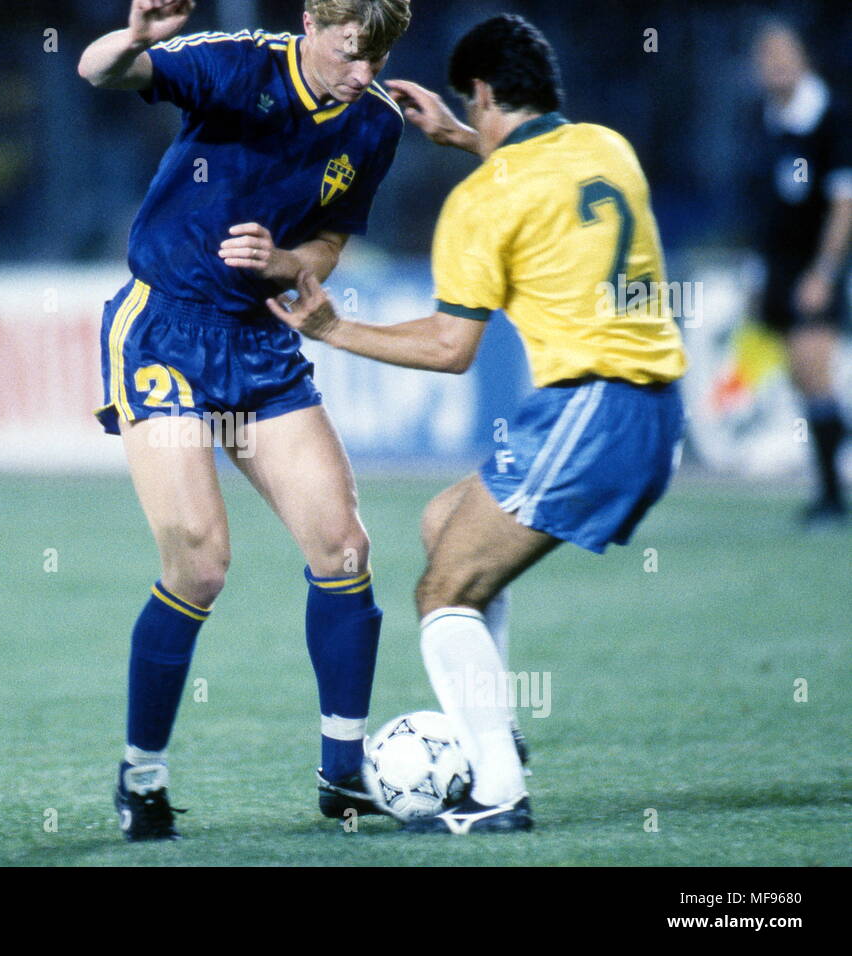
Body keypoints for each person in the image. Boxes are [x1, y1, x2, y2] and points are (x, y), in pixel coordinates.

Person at [271, 13, 687, 834]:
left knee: (443, 592)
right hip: (646, 407)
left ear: (485, 92)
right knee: (444, 523)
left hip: (593, 410)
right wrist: (466, 136)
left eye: (474, 104)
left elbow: (450, 346)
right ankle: (495, 732)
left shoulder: (483, 201)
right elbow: (539, 171)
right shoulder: (608, 147)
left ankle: (498, 790)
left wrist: (333, 330)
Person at [77, 0, 418, 840]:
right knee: (200, 563)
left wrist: (293, 262)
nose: (364, 75)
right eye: (348, 53)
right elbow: (99, 71)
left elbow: (333, 236)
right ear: (311, 21)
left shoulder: (374, 123)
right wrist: (136, 38)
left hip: (260, 343)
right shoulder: (239, 66)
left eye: (376, 56)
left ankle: (343, 776)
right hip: (165, 327)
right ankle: (142, 779)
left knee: (344, 548)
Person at [749, 22, 851, 527]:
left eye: (784, 56)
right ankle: (827, 491)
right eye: (767, 58)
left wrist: (825, 272)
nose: (775, 66)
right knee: (800, 376)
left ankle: (833, 498)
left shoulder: (830, 117)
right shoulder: (767, 119)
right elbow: (765, 205)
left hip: (816, 266)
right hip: (782, 267)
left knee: (815, 369)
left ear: (803, 59)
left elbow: (845, 202)